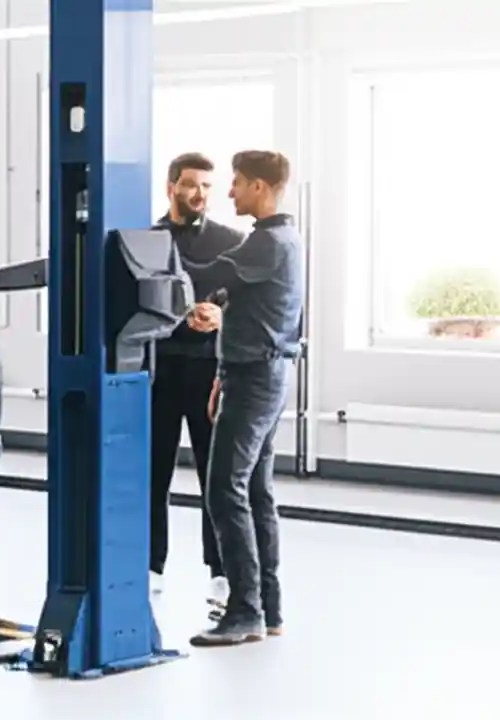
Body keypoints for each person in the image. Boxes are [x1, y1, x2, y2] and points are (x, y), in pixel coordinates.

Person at [182, 150, 304, 647]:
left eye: (235, 183)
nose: (228, 192)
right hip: (260, 375)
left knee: (223, 490)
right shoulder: (285, 240)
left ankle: (244, 611)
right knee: (255, 492)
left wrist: (131, 254)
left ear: (259, 186)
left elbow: (204, 272)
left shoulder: (267, 241)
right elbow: (241, 298)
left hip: (254, 379)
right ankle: (267, 609)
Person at [148, 153, 243, 619]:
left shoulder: (233, 242)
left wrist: (223, 317)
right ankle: (150, 569)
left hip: (211, 376)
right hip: (160, 372)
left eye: (207, 185)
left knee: (216, 479)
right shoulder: (146, 242)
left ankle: (221, 574)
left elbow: (249, 305)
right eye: (190, 185)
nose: (200, 194)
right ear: (170, 188)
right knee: (152, 475)